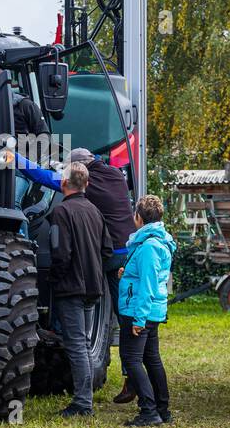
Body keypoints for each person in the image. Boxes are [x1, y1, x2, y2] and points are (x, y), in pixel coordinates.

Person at [14, 147, 138, 401]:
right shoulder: (115, 175)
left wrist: (11, 156)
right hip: (129, 251)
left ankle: (61, 336)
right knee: (126, 316)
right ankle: (132, 377)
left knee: (71, 292)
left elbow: (41, 176)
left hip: (108, 253)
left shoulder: (84, 185)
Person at [48, 162, 114, 417]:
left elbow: (60, 254)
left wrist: (55, 279)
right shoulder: (96, 212)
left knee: (76, 345)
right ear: (86, 184)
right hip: (93, 287)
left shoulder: (61, 213)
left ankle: (83, 403)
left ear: (63, 184)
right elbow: (107, 250)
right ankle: (84, 399)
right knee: (84, 344)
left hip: (70, 287)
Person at [116, 194, 176, 427]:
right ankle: (162, 409)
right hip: (153, 310)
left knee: (131, 360)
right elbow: (150, 275)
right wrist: (126, 274)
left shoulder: (149, 246)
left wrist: (138, 319)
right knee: (152, 360)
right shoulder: (156, 241)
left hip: (140, 311)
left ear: (138, 217)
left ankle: (149, 411)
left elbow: (149, 284)